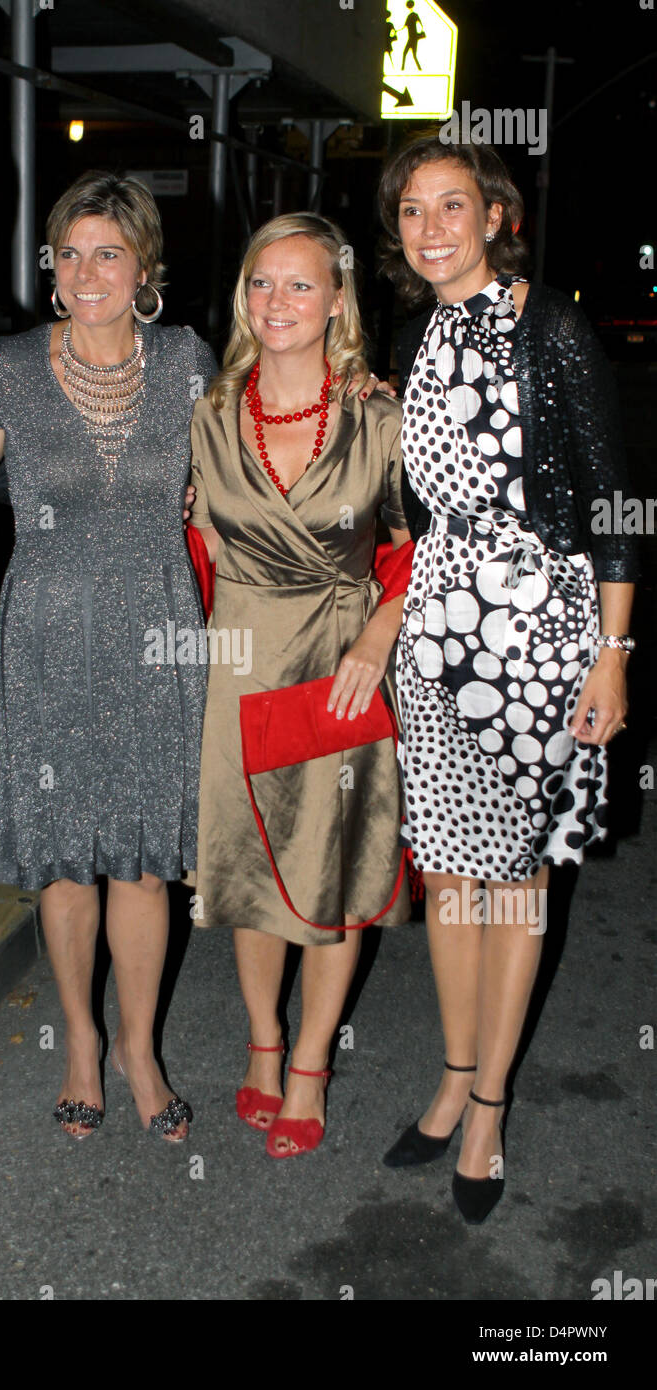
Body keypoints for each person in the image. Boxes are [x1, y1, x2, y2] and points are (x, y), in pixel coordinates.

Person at [377, 134, 638, 1221]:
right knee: (448, 870)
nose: (432, 228)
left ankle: (489, 1105)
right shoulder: (414, 330)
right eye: (411, 212)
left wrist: (614, 655)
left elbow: (615, 508)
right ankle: (448, 1071)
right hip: (434, 626)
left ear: (495, 216)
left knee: (514, 877)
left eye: (453, 206)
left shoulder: (555, 328)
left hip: (538, 630)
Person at [0, 171, 215, 1142]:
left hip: (158, 636)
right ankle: (80, 1040)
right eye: (69, 252)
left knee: (144, 864)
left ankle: (139, 1045)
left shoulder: (188, 361)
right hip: (48, 638)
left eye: (108, 253)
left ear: (144, 269)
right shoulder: (6, 365)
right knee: (66, 861)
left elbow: (245, 463)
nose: (86, 272)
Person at [187, 213, 412, 1160]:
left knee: (329, 871)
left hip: (336, 663)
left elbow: (410, 552)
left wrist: (375, 640)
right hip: (237, 664)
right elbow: (190, 547)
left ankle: (313, 1063)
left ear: (335, 300)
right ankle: (265, 1044)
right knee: (245, 867)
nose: (277, 302)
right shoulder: (207, 412)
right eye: (262, 284)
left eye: (301, 285)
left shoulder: (378, 415)